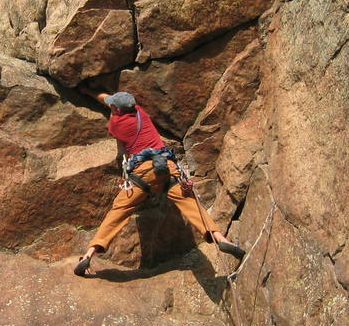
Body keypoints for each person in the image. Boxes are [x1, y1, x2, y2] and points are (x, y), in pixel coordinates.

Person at [74, 88, 244, 276]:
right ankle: (221, 238)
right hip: (167, 168)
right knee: (190, 203)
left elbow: (107, 103)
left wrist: (88, 90)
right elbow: (110, 101)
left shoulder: (115, 125)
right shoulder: (141, 114)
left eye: (114, 106)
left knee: (118, 212)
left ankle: (89, 254)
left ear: (118, 111)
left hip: (142, 174)